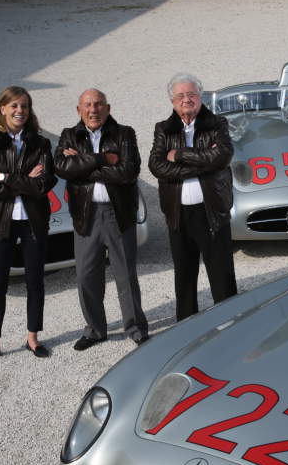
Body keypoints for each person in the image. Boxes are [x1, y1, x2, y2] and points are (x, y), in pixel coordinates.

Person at [0, 85, 57, 366]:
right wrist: (24, 179)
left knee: (35, 282)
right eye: (14, 105)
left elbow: (44, 184)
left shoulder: (41, 144)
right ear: (3, 109)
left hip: (33, 222)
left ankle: (32, 338)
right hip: (0, 222)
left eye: (24, 106)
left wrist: (4, 177)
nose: (20, 111)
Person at [55, 89, 148, 348]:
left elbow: (128, 172)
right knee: (86, 276)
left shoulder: (124, 134)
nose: (93, 110)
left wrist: (82, 167)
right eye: (87, 105)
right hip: (86, 215)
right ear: (79, 110)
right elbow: (62, 168)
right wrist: (102, 159)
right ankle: (95, 330)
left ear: (107, 108)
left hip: (118, 214)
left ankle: (136, 328)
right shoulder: (69, 135)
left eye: (98, 104)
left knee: (125, 275)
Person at [149, 73, 237, 322]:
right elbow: (156, 166)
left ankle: (231, 323)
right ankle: (187, 326)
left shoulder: (217, 124)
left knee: (221, 274)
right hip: (178, 214)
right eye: (180, 96)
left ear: (200, 97)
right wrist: (203, 162)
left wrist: (178, 155)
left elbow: (223, 156)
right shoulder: (163, 129)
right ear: (172, 101)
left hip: (212, 211)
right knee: (184, 276)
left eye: (191, 94)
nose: (186, 99)